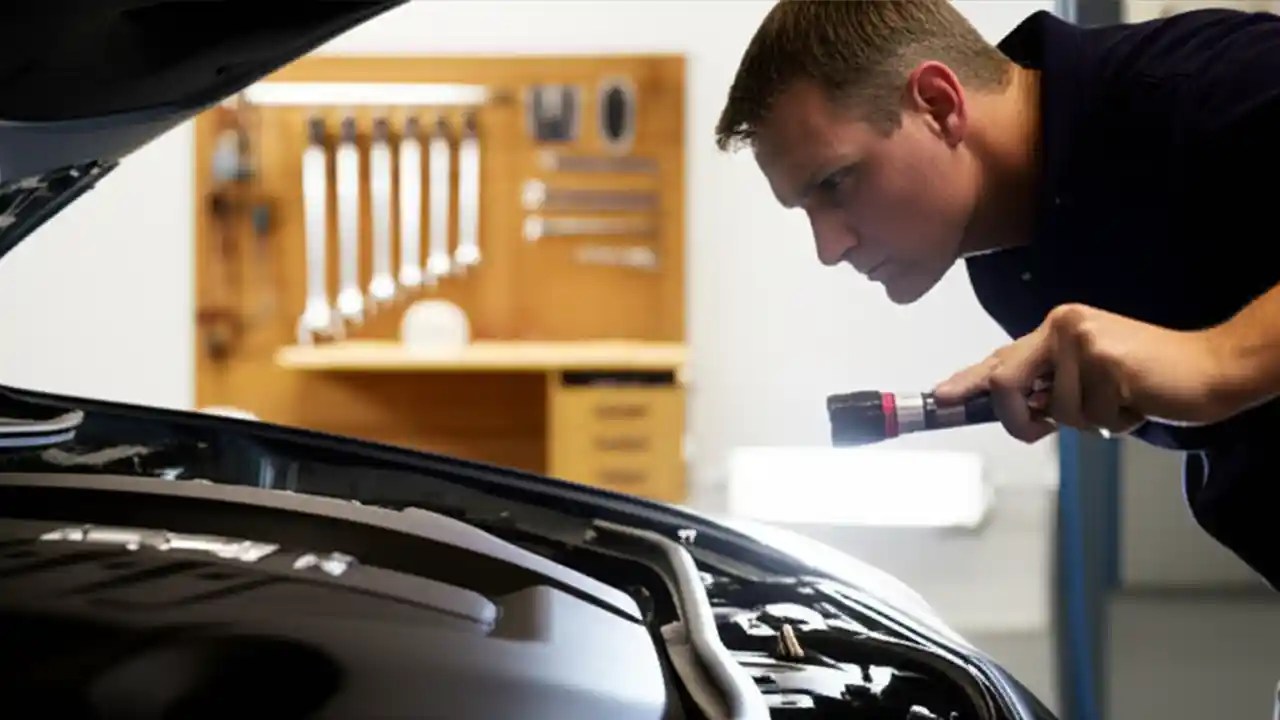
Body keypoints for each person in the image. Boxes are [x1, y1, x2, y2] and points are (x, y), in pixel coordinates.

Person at [715, 0, 1280, 587]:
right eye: (805, 210)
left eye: (835, 183)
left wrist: (1218, 363)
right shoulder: (1012, 278)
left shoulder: (1206, 82)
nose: (829, 248)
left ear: (938, 106)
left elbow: (1212, 376)